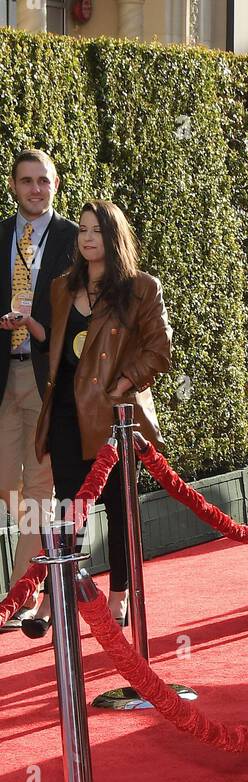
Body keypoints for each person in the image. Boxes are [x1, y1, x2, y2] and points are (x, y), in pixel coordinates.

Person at [13, 200, 172, 636]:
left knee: (119, 510)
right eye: (82, 229)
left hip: (114, 416)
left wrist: (122, 385)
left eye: (96, 230)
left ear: (113, 237)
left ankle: (119, 597)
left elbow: (159, 351)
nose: (86, 237)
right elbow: (57, 347)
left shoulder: (141, 288)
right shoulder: (63, 287)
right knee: (68, 508)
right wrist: (28, 324)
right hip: (65, 410)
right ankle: (55, 598)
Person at [0, 150, 77, 629]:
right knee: (9, 483)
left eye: (43, 181)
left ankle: (19, 593)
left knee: (38, 488)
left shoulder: (73, 238)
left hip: (46, 376)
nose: (35, 189)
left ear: (55, 185)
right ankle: (39, 569)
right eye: (26, 181)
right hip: (4, 374)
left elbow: (81, 310)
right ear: (12, 185)